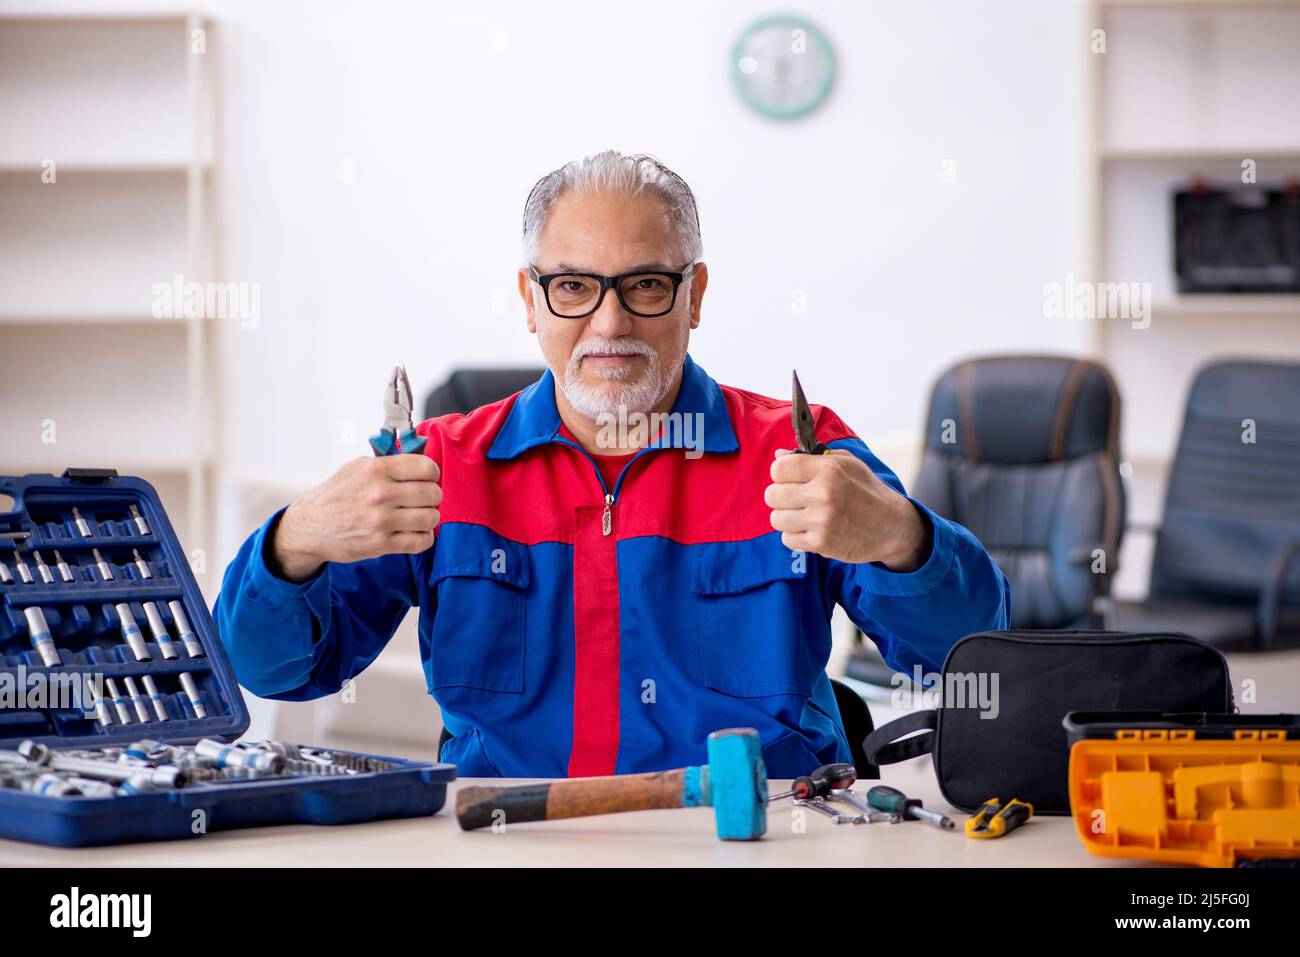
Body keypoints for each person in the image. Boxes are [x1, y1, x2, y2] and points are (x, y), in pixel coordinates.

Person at [213, 149, 1011, 778]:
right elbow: (276, 671)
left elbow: (974, 654)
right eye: (573, 286)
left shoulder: (796, 453)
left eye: (646, 284)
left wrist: (904, 539)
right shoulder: (440, 469)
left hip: (760, 841)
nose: (610, 321)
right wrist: (293, 544)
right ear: (530, 300)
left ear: (694, 295)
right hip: (512, 839)